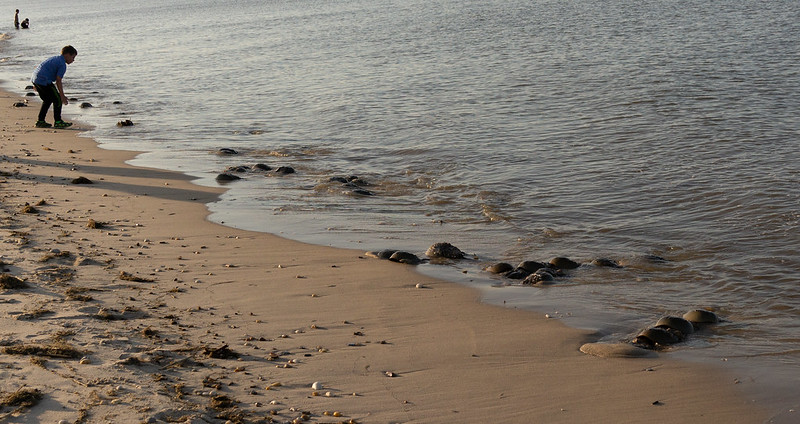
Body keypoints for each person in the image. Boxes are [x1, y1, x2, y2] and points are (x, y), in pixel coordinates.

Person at [31, 45, 77, 129]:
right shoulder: (62, 64)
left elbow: (41, 68)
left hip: (36, 79)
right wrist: (62, 96)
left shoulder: (55, 58)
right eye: (73, 57)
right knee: (58, 100)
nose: (73, 60)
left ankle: (40, 121)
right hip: (44, 80)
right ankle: (58, 121)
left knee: (47, 100)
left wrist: (35, 84)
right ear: (67, 55)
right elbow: (58, 80)